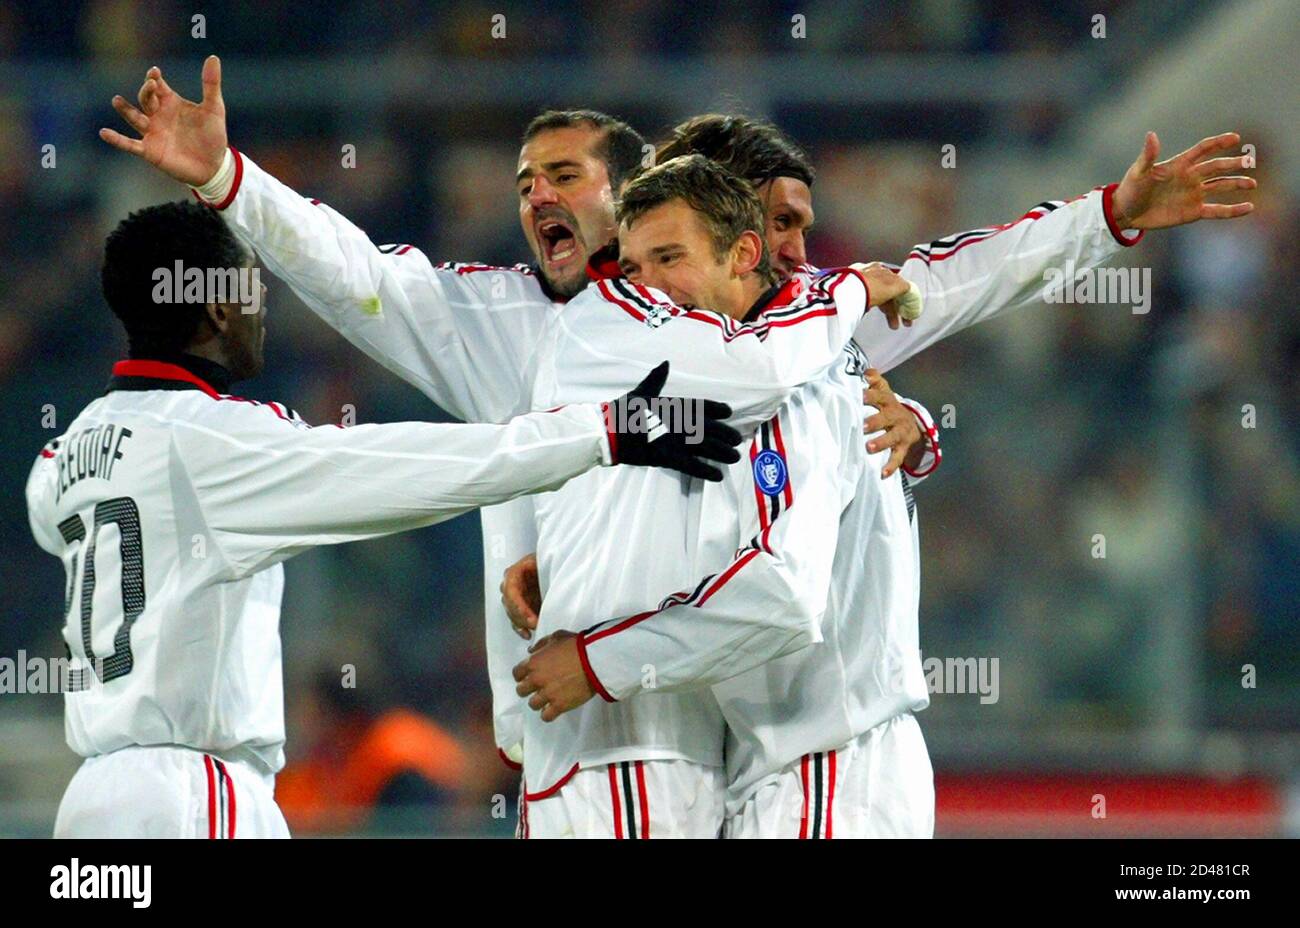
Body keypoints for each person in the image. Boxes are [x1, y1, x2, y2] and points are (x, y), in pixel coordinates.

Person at [515, 116, 1258, 837]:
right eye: (777, 223)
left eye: (797, 224)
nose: (798, 250)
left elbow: (966, 276)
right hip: (773, 765)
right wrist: (568, 561)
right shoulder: (725, 347)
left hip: (822, 761)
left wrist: (1110, 217)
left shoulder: (806, 348)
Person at [24, 200, 741, 838]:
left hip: (89, 799)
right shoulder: (217, 443)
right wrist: (604, 433)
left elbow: (48, 514)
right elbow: (416, 466)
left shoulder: (63, 455)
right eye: (251, 290)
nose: (260, 310)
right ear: (215, 306)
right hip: (191, 797)